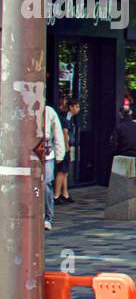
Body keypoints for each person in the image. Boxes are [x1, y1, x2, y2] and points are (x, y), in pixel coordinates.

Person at [111, 101, 136, 209]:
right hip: (134, 155)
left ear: (121, 114)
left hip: (122, 156)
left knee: (124, 180)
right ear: (131, 113)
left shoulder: (119, 128)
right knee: (134, 178)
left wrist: (115, 153)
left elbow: (114, 143)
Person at [41, 100, 66, 232]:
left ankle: (47, 217)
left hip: (47, 155)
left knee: (46, 184)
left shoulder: (49, 112)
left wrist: (60, 154)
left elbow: (57, 133)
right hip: (29, 157)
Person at [54, 97, 79, 204]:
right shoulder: (67, 117)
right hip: (64, 148)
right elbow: (65, 132)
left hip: (65, 147)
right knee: (62, 171)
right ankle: (56, 195)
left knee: (65, 171)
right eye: (76, 107)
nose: (78, 109)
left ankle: (65, 193)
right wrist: (67, 147)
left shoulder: (69, 117)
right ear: (71, 107)